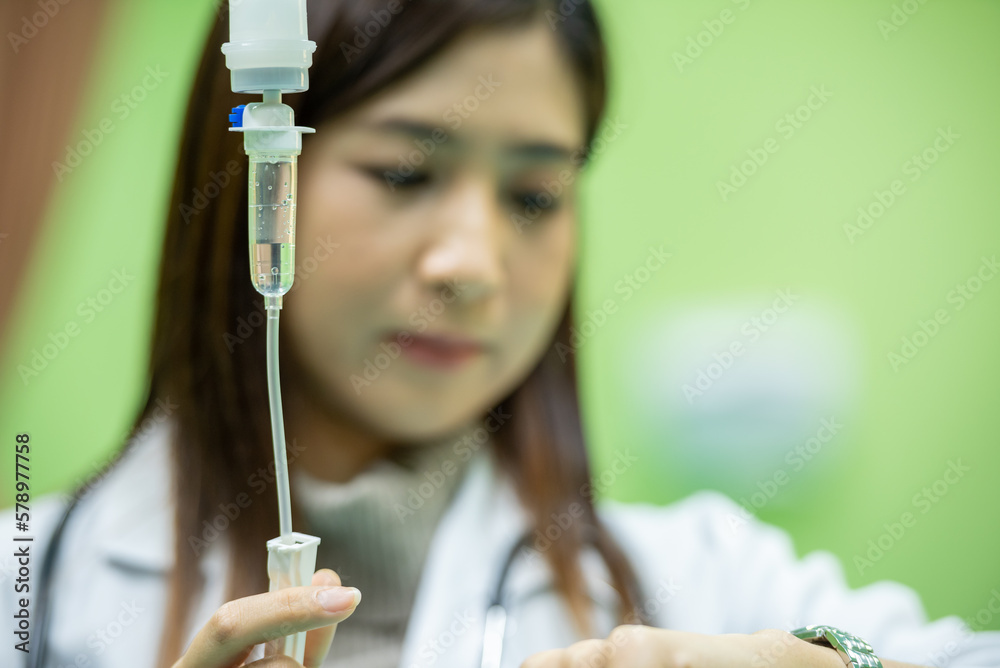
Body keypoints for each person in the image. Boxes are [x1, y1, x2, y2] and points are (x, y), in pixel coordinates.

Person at [3, 1, 999, 667]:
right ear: (259, 183)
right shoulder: (28, 578)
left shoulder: (701, 580)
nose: (472, 262)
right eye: (403, 172)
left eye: (532, 193)